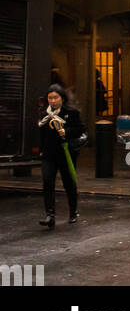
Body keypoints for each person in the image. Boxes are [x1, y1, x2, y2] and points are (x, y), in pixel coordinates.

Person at [38, 84, 84, 227]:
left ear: (62, 98)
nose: (52, 101)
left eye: (55, 98)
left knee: (69, 182)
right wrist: (41, 149)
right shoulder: (44, 114)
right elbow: (42, 133)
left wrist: (66, 132)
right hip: (49, 153)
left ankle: (73, 211)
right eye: (50, 98)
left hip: (66, 152)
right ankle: (50, 214)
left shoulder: (71, 112)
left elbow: (80, 129)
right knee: (47, 181)